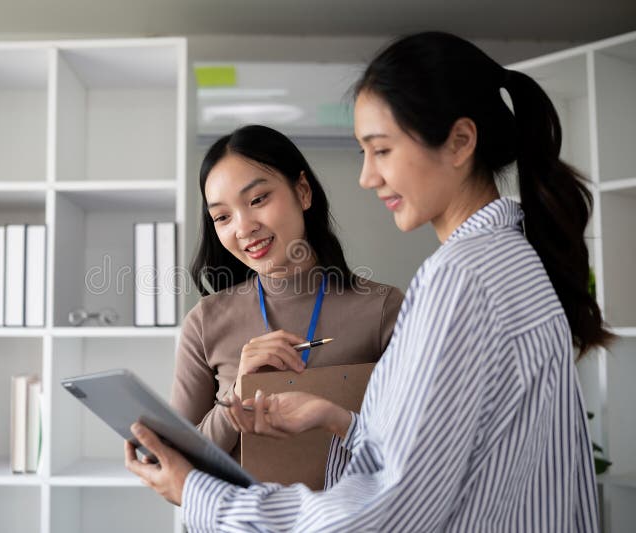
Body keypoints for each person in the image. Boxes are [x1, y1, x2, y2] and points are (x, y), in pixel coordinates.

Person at [125, 32, 612, 532]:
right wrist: (333, 418)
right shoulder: (508, 259)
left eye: (381, 150)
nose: (366, 176)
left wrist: (196, 493)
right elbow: (427, 454)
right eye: (221, 215)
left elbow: (383, 510)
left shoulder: (455, 284)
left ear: (461, 141)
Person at [170, 124, 404, 461]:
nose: (244, 227)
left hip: (350, 513)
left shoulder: (383, 309)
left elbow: (418, 448)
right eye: (222, 216)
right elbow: (178, 467)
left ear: (303, 191)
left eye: (258, 199)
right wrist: (237, 392)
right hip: (242, 514)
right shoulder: (205, 322)